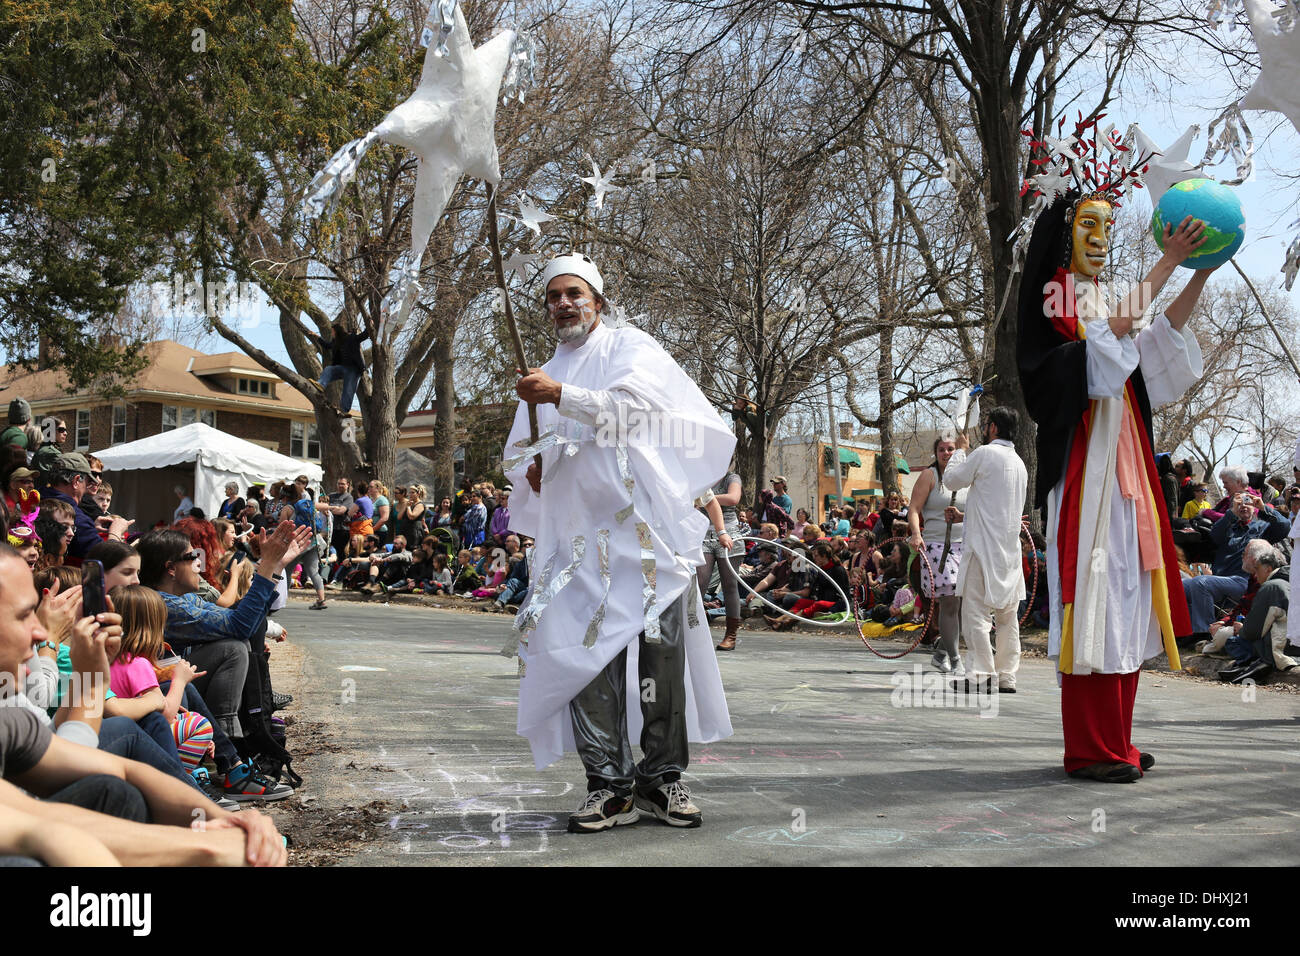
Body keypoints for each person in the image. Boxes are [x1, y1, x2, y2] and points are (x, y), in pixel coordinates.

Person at [504, 253, 733, 833]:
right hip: (577, 549)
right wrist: (534, 467)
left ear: (598, 301)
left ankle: (663, 779)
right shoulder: (543, 374)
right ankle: (608, 786)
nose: (562, 304)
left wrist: (559, 396)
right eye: (553, 296)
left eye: (573, 293)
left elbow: (634, 413)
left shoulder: (630, 348)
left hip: (646, 539)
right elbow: (520, 455)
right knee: (585, 662)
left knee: (661, 660)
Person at [1017, 165, 1217, 783]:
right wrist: (1166, 263)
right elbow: (1107, 342)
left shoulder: (1103, 303)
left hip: (1128, 480)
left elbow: (1158, 339)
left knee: (1126, 609)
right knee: (1096, 610)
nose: (1101, 235)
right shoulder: (1057, 305)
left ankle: (1118, 743)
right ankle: (1089, 750)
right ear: (1062, 234)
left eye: (1109, 223)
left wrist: (1202, 268)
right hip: (1088, 478)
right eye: (1087, 223)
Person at [940, 406, 1029, 693]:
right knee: (1007, 618)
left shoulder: (983, 453)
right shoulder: (1019, 463)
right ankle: (1006, 676)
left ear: (992, 428)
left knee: (976, 614)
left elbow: (952, 480)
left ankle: (979, 675)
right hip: (1009, 551)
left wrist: (961, 451)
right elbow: (998, 510)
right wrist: (966, 517)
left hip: (982, 549)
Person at [908, 436, 968, 675]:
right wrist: (915, 533)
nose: (946, 453)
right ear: (936, 453)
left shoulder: (967, 476)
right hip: (936, 546)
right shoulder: (929, 476)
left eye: (951, 449)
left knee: (965, 605)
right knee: (950, 602)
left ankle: (941, 652)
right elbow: (913, 508)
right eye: (942, 450)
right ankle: (955, 659)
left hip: (966, 544)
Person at [698, 469, 744, 651]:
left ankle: (731, 635)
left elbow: (733, 498)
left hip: (729, 533)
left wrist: (702, 499)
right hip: (702, 534)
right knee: (699, 581)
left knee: (729, 585)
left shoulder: (731, 477)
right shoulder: (701, 475)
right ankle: (694, 630)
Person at [318, 321, 370, 414]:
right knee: (329, 369)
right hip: (342, 368)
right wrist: (317, 337)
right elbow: (327, 345)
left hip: (353, 369)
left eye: (332, 332)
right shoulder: (335, 342)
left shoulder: (351, 338)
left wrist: (369, 324)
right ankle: (321, 385)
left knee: (348, 389)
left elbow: (364, 335)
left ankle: (344, 411)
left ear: (337, 331)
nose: (332, 334)